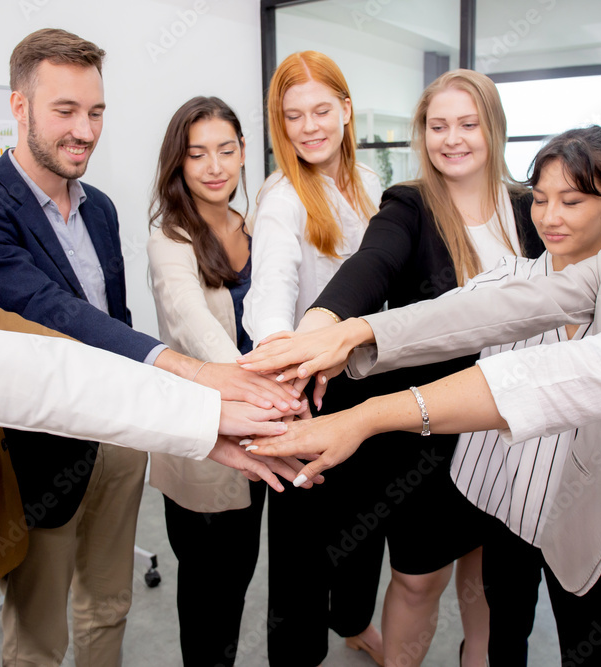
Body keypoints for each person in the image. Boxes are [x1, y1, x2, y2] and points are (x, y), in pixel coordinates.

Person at [248, 4, 601, 663]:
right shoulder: (414, 204)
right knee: (437, 583)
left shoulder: (537, 210)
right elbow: (487, 307)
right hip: (512, 478)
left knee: (497, 601)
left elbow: (574, 360)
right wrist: (344, 335)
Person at [0, 4, 293, 664]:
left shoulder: (102, 211)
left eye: (95, 112)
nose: (84, 130)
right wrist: (190, 379)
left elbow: (110, 318)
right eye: (65, 110)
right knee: (38, 631)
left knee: (109, 604)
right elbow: (48, 317)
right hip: (41, 452)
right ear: (19, 104)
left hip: (121, 443)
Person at [0, 250, 293, 667]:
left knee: (108, 601)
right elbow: (35, 320)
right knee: (38, 628)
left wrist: (199, 414)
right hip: (44, 464)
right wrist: (200, 392)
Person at [250, 68, 543, 667]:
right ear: (422, 133)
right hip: (431, 434)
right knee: (417, 579)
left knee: (487, 583)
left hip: (516, 426)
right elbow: (370, 267)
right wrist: (318, 333)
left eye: (467, 124)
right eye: (438, 126)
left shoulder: (530, 207)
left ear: (493, 128)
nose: (452, 138)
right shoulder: (408, 204)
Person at [443, 125, 601, 665]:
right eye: (541, 199)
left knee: (587, 633)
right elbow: (438, 321)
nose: (549, 217)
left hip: (586, 510)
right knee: (506, 625)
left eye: (571, 201)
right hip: (508, 494)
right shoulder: (510, 278)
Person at [243, 50, 386, 667]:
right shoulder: (282, 198)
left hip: (370, 383)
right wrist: (288, 386)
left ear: (347, 111)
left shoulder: (370, 185)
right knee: (302, 551)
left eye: (321, 110)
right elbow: (268, 300)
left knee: (364, 527)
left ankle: (352, 621)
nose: (309, 127)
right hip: (311, 390)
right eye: (293, 115)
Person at [145, 96, 267, 666]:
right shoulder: (171, 240)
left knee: (239, 575)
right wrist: (262, 386)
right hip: (205, 437)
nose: (215, 166)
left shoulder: (256, 228)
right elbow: (195, 328)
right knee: (205, 589)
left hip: (266, 429)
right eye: (198, 154)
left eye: (226, 150)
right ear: (179, 163)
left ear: (243, 153)